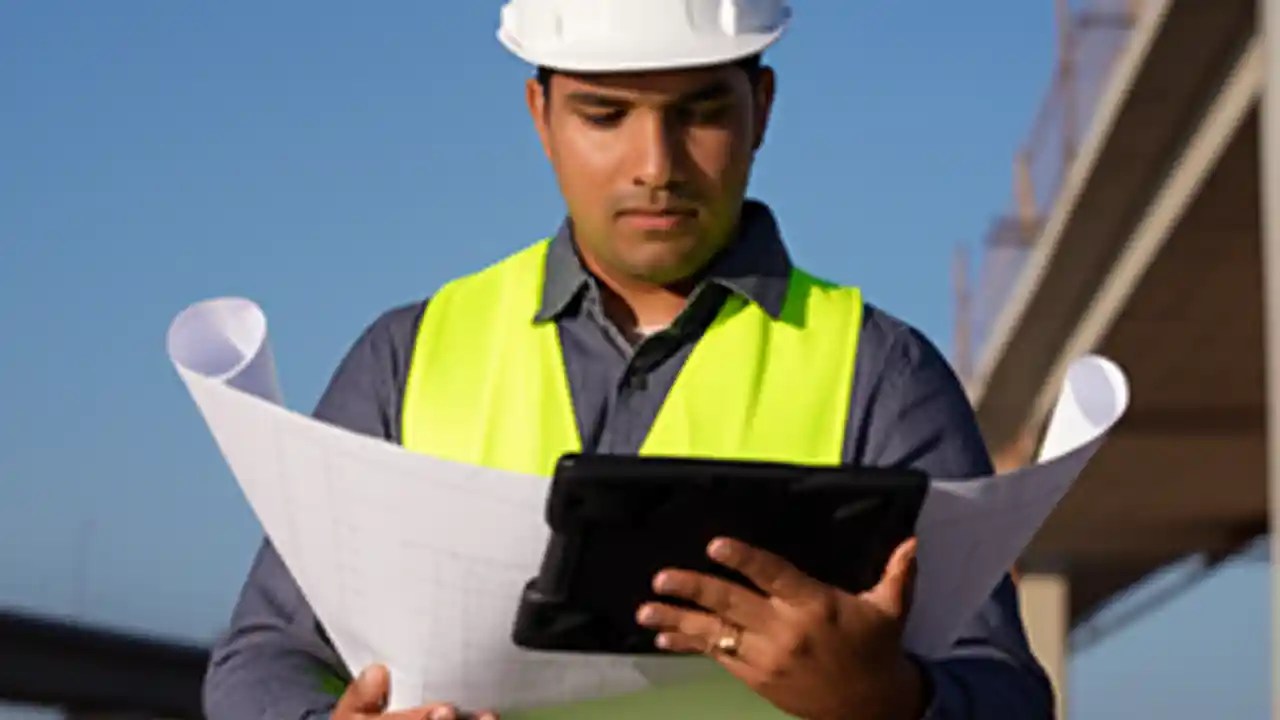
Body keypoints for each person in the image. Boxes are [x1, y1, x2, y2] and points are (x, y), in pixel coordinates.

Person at [202, 1, 1055, 718]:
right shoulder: (407, 358)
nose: (656, 166)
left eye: (700, 113)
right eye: (605, 115)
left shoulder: (882, 378)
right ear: (540, 115)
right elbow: (266, 654)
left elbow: (1006, 692)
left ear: (761, 108)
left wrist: (886, 698)